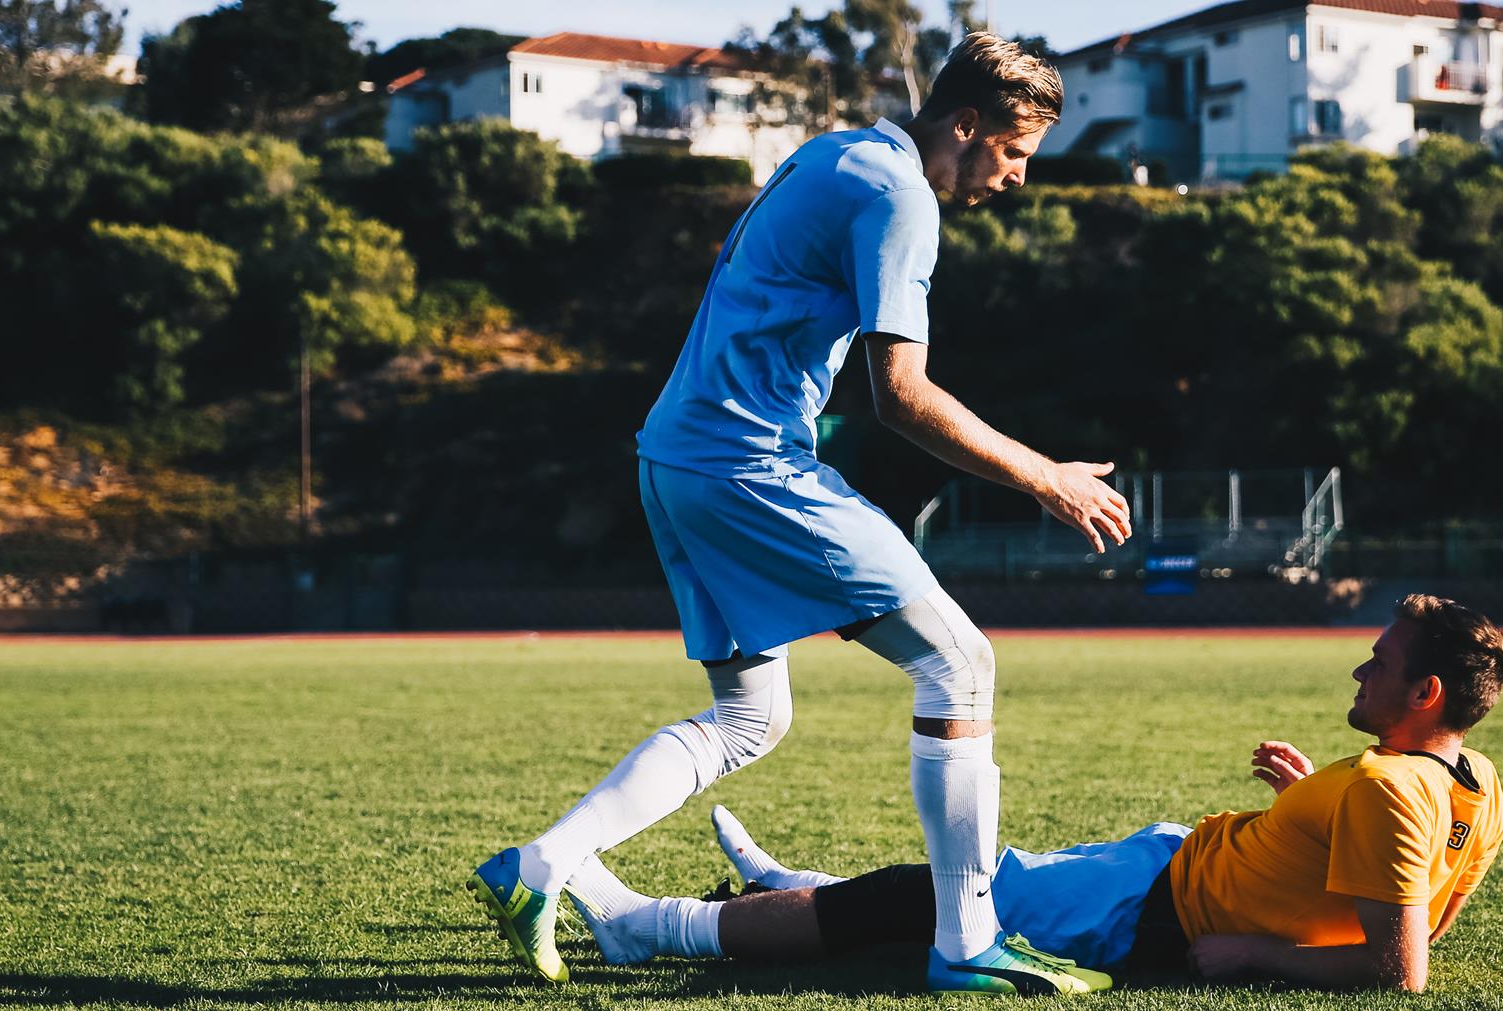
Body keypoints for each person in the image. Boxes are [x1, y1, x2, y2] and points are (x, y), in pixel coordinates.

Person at [466, 33, 1133, 997]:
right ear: (968, 126)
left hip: (674, 456)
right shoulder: (903, 196)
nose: (1020, 176)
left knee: (750, 715)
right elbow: (899, 393)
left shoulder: (835, 152)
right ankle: (968, 940)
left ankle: (541, 866)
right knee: (959, 662)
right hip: (749, 463)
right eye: (1017, 151)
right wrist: (1045, 477)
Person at [562, 595, 1503, 995]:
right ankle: (788, 882)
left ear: (1424, 693)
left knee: (928, 904)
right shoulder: (1472, 782)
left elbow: (1400, 968)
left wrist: (1254, 950)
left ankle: (653, 926)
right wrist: (1313, 814)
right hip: (1168, 867)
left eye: (1380, 661)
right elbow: (1423, 894)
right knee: (956, 886)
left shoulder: (1391, 788)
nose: (1360, 664)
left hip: (1156, 907)